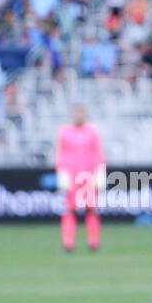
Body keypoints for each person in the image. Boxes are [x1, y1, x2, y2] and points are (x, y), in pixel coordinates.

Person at [54, 104, 105, 252]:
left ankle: (93, 242)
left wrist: (100, 172)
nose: (78, 116)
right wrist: (61, 172)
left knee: (91, 209)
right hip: (71, 175)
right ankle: (68, 242)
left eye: (80, 113)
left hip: (88, 175)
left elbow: (98, 152)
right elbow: (60, 153)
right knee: (70, 209)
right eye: (76, 113)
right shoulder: (64, 131)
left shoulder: (92, 131)